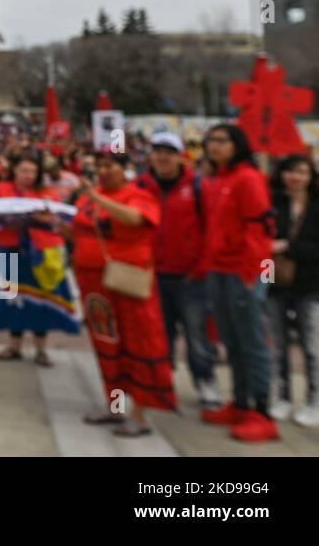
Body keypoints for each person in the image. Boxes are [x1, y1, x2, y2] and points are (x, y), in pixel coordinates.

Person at [72, 150, 176, 436]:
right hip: (94, 285)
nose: (104, 171)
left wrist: (97, 198)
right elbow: (79, 231)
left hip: (127, 283)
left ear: (126, 169)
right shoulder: (87, 198)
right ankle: (115, 406)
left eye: (109, 166)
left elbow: (134, 219)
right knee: (107, 345)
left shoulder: (136, 195)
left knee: (137, 344)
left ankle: (140, 415)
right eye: (99, 166)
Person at [200, 122, 279, 442]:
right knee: (231, 341)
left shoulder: (248, 179)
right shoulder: (219, 179)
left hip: (242, 273)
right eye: (211, 141)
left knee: (253, 343)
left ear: (237, 145)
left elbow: (262, 229)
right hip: (219, 271)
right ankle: (241, 402)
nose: (215, 146)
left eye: (222, 141)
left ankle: (262, 412)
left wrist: (253, 273)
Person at [136, 132, 220, 407]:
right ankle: (162, 382)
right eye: (158, 151)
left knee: (197, 334)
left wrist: (202, 266)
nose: (162, 157)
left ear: (180, 155)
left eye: (169, 151)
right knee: (159, 334)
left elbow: (211, 229)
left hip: (190, 276)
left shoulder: (198, 186)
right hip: (151, 274)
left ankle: (205, 381)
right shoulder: (140, 186)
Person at [0, 156, 70, 366]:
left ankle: (41, 349)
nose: (28, 176)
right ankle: (14, 345)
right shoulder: (0, 189)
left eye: (32, 171)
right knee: (11, 298)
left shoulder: (46, 193)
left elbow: (57, 218)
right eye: (24, 170)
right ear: (14, 170)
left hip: (38, 251)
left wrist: (39, 218)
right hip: (8, 247)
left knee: (40, 299)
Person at [268, 154, 319, 426]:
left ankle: (314, 400)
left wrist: (289, 247)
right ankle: (283, 397)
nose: (295, 177)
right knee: (278, 345)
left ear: (311, 177)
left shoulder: (316, 206)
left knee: (312, 347)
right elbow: (262, 247)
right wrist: (264, 283)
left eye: (302, 172)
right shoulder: (272, 203)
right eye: (290, 171)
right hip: (275, 286)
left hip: (311, 286)